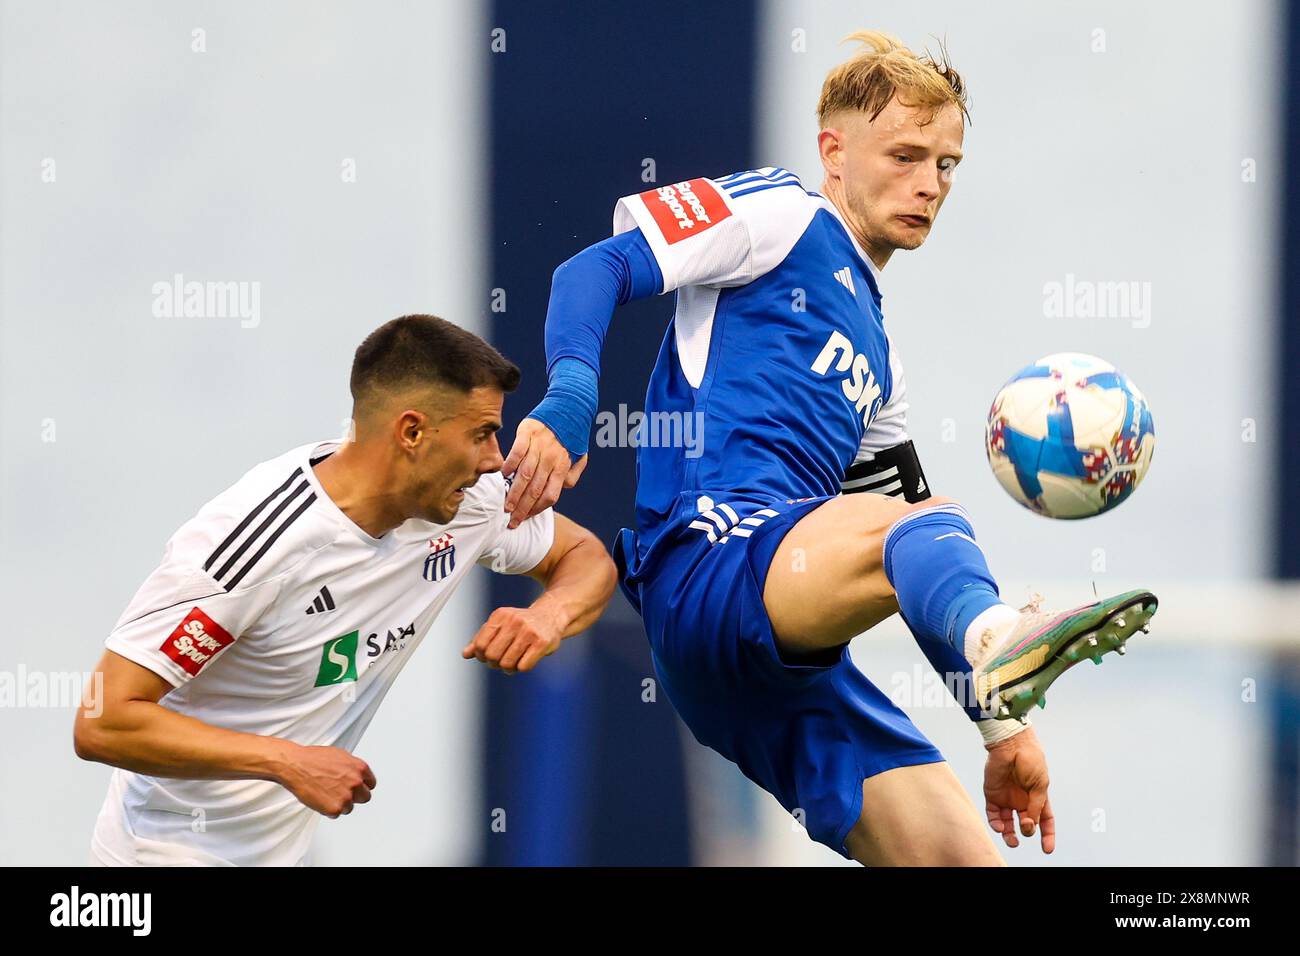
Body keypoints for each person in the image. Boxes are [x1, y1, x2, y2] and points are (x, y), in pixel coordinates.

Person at [500, 33, 1157, 864]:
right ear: (834, 152)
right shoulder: (783, 214)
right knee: (920, 521)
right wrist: (569, 397)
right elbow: (593, 270)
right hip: (709, 565)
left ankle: (995, 652)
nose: (929, 184)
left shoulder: (881, 360)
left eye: (947, 165)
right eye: (907, 154)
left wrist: (1000, 730)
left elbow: (911, 561)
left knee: (968, 862)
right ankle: (998, 640)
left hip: (778, 669)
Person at [74, 314, 617, 866]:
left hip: (285, 851)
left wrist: (549, 616)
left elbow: (585, 558)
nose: (495, 459)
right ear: (412, 433)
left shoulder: (467, 504)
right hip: (163, 854)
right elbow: (103, 721)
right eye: (480, 434)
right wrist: (286, 761)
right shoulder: (254, 546)